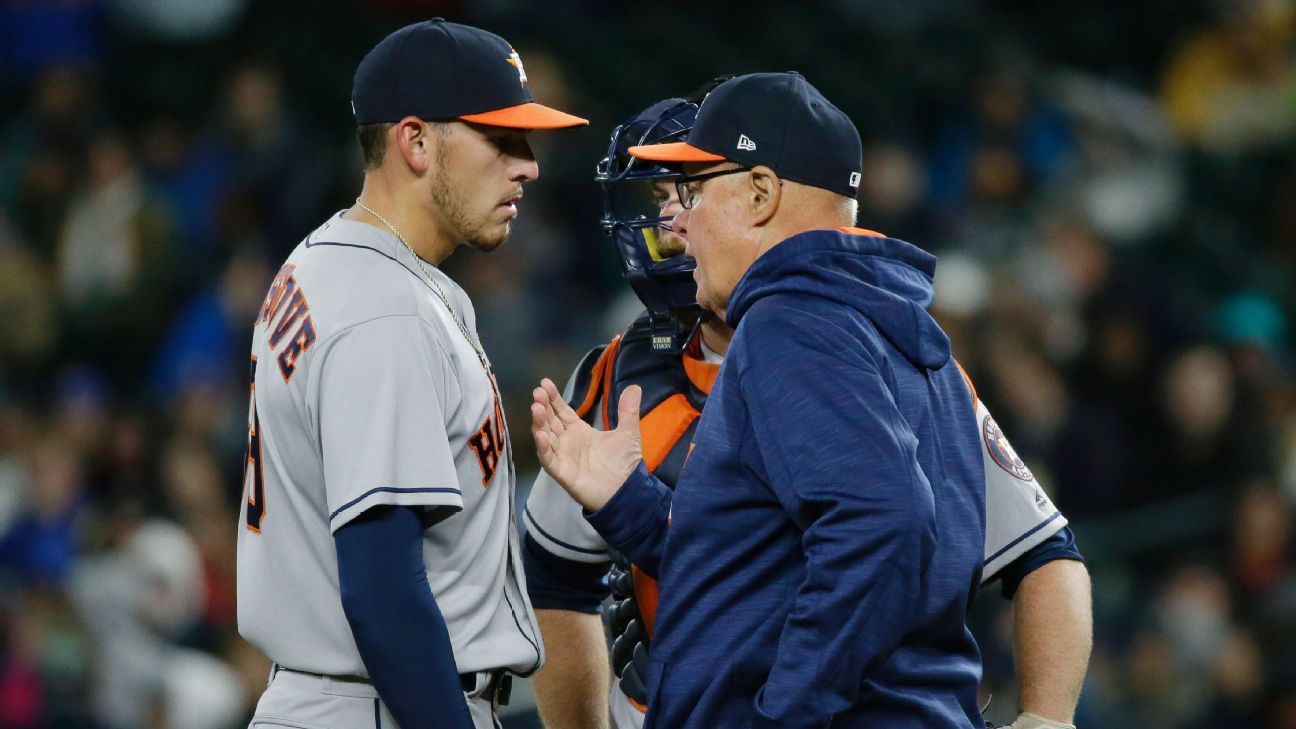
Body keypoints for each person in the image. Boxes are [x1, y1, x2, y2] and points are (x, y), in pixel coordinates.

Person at [524, 93, 1091, 729]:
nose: (676, 223)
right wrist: (630, 508)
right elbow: (768, 565)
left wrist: (786, 711)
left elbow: (898, 526)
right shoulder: (901, 338)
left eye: (693, 192)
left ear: (761, 194)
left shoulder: (792, 326)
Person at [235, 19, 587, 729]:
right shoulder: (384, 310)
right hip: (377, 706)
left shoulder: (326, 260)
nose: (529, 165)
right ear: (417, 141)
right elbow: (383, 592)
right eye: (501, 139)